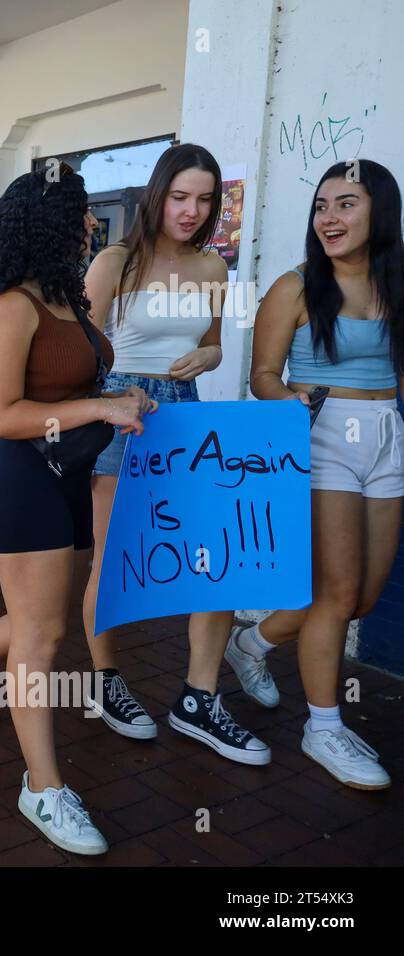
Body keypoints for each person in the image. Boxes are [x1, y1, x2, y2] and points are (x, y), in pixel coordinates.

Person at [0, 165, 151, 855]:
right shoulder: (12, 306)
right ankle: (42, 787)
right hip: (21, 482)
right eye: (81, 214)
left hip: (67, 477)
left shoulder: (68, 299)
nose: (90, 224)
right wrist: (100, 406)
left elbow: (77, 379)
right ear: (52, 223)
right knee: (43, 636)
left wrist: (121, 400)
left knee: (41, 618)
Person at [75, 144, 271, 763]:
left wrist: (211, 357)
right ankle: (106, 681)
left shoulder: (214, 269)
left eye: (204, 199)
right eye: (181, 196)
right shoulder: (114, 261)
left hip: (184, 414)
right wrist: (113, 392)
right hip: (122, 411)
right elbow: (81, 348)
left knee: (216, 558)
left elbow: (212, 343)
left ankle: (200, 698)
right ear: (158, 194)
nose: (191, 210)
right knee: (112, 557)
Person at [241, 158, 404, 790]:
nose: (329, 218)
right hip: (326, 433)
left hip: (387, 433)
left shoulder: (396, 281)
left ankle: (252, 644)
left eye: (346, 204)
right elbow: (263, 376)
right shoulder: (297, 285)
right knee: (336, 593)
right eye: (321, 206)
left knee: (359, 597)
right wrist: (291, 402)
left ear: (378, 210)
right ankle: (324, 725)